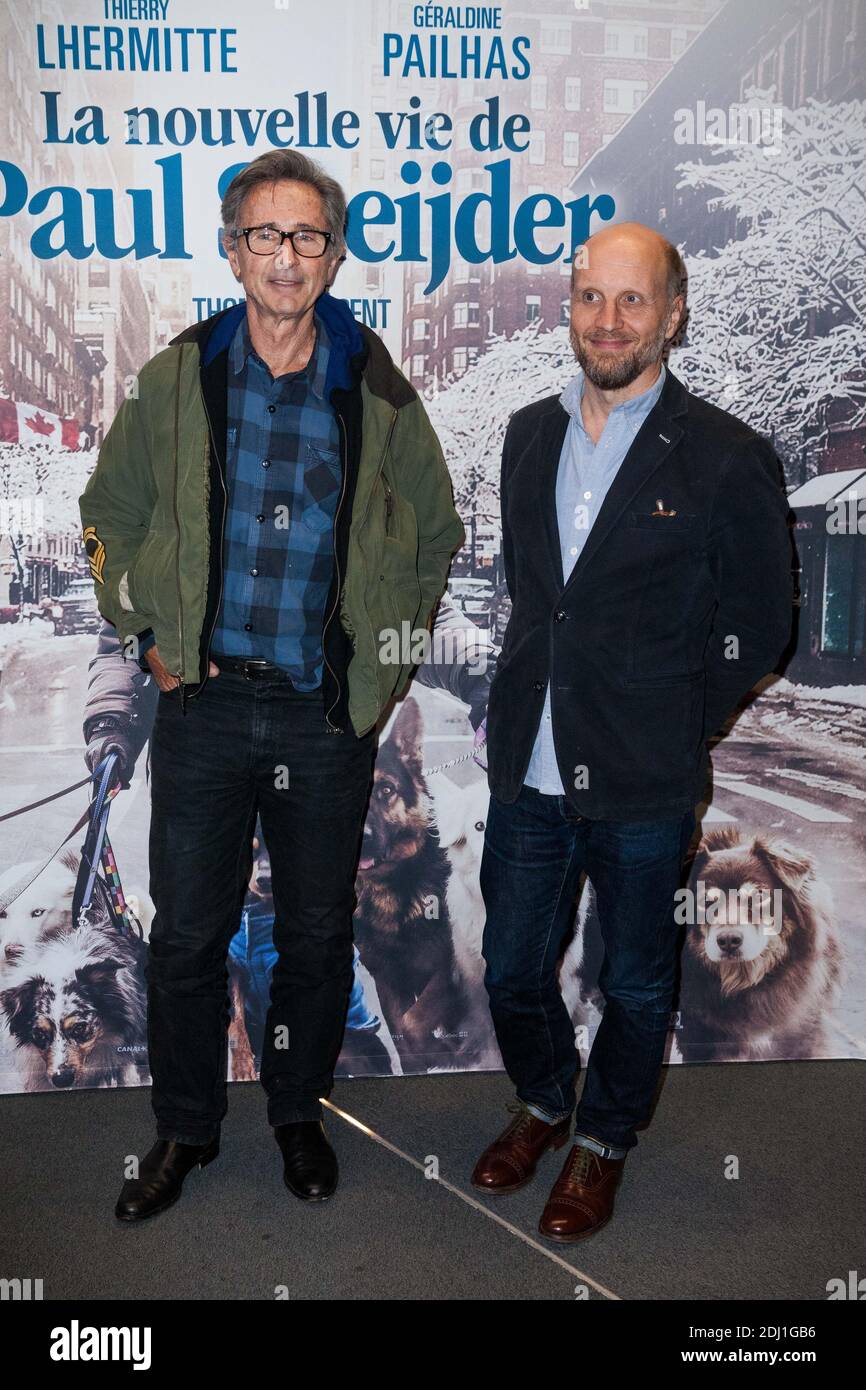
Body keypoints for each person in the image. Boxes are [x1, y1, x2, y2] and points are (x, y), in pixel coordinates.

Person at [79, 149, 464, 1220]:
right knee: (192, 936)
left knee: (312, 933)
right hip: (200, 703)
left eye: (305, 237)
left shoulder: (374, 383)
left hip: (318, 712)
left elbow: (435, 535)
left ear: (331, 253)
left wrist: (382, 666)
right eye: (263, 234)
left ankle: (299, 1109)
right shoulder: (176, 377)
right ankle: (186, 1130)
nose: (284, 256)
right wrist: (142, 629)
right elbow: (104, 517)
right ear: (231, 247)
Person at [472, 222, 793, 1241]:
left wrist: (677, 724)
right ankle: (542, 1099)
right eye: (587, 298)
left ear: (671, 312)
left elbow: (760, 623)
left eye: (630, 300)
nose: (605, 320)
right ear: (568, 308)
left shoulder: (726, 455)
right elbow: (531, 596)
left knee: (637, 978)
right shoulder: (525, 432)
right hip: (528, 764)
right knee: (515, 965)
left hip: (645, 780)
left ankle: (600, 1141)